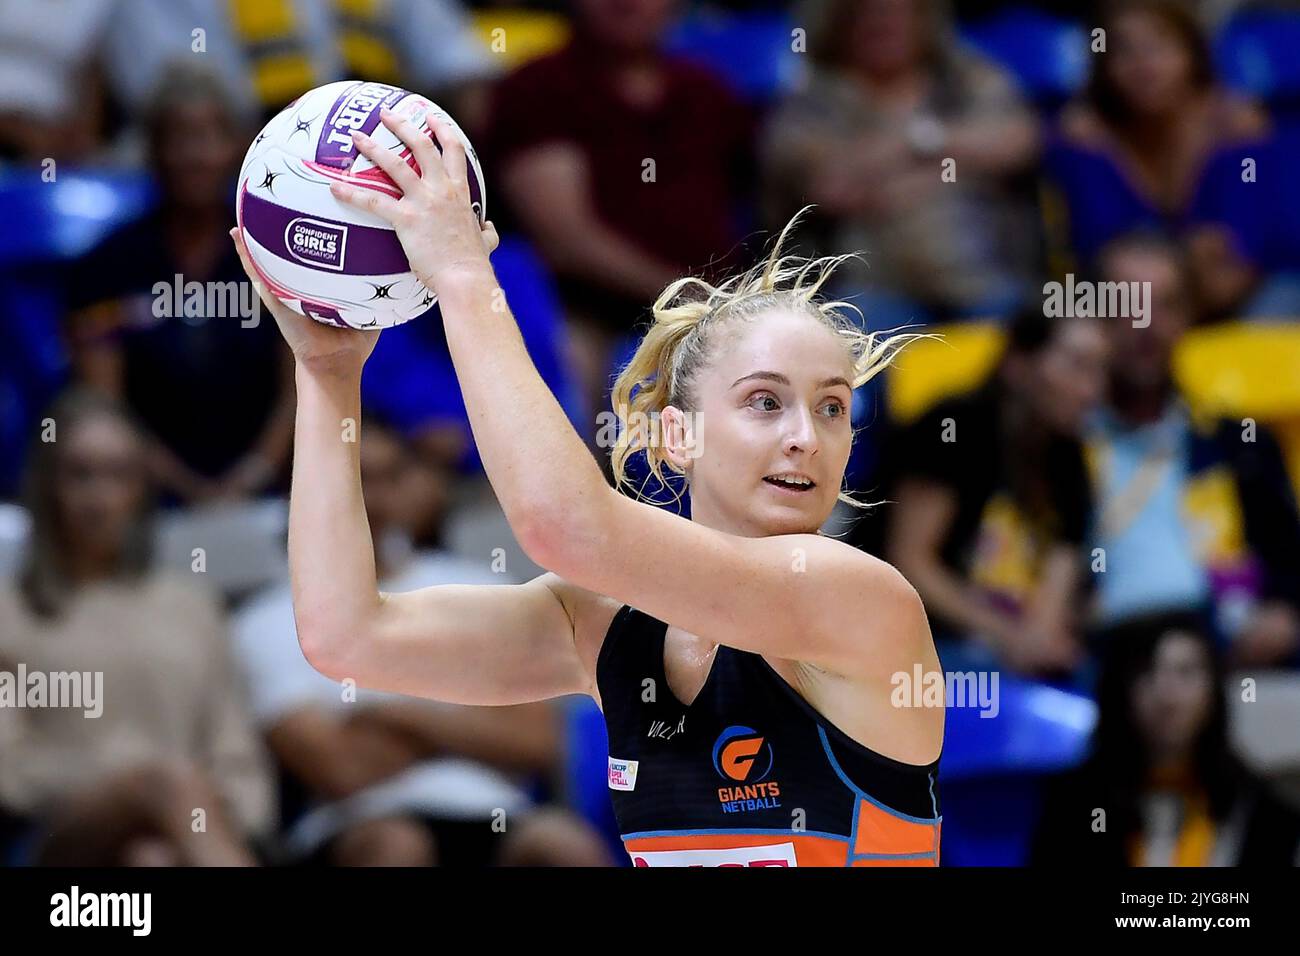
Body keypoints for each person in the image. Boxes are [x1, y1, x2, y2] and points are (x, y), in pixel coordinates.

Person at [229, 107, 944, 867]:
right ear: (678, 435)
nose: (806, 434)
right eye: (765, 401)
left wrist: (468, 279)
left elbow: (565, 529)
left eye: (833, 407)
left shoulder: (857, 596)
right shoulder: (606, 628)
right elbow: (346, 637)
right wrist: (328, 376)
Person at [232, 419, 612, 866]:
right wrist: (469, 723)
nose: (376, 499)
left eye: (391, 476)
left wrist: (399, 716)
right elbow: (341, 769)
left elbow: (537, 741)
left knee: (565, 845)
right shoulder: (266, 621)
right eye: (357, 479)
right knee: (400, 848)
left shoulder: (478, 586)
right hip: (360, 821)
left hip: (491, 811)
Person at [0, 388, 274, 866]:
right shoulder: (10, 608)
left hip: (186, 827)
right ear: (48, 485)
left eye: (118, 475)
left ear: (141, 489)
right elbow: (10, 773)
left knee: (151, 858)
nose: (99, 497)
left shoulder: (191, 605)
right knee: (163, 788)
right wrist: (134, 781)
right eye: (80, 474)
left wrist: (196, 803)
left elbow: (234, 750)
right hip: (53, 832)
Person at [65, 63, 295, 505]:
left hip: (268, 489)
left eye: (212, 135)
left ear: (238, 149)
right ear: (153, 149)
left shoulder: (275, 255)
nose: (196, 155)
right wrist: (187, 491)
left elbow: (299, 387)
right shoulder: (105, 266)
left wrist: (252, 476)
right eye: (180, 137)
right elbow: (103, 403)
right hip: (140, 494)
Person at [1085, 232, 1300, 667]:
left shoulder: (1239, 443)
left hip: (1221, 650)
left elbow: (1290, 568)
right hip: (1096, 655)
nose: (1146, 325)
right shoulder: (1059, 440)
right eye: (1127, 305)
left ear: (1189, 318)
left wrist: (1285, 614)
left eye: (1165, 305)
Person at [762, 0, 1042, 326]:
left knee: (1042, 339)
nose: (881, 24)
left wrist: (914, 145)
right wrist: (942, 160)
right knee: (845, 337)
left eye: (896, 11)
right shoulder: (812, 101)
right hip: (872, 288)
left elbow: (1019, 143)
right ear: (840, 23)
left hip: (985, 277)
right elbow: (831, 187)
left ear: (924, 18)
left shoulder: (967, 79)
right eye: (866, 14)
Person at [868, 307, 1109, 678]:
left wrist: (1037, 640)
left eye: (1100, 371)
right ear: (1018, 365)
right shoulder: (951, 427)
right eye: (1077, 366)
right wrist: (1006, 636)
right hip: (923, 636)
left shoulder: (1071, 459)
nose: (1092, 391)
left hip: (1004, 644)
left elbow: (1058, 580)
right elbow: (910, 564)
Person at [1031, 610, 1300, 866]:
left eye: (1186, 672)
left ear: (1214, 692)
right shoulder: (1074, 803)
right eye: (1148, 672)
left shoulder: (1260, 809)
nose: (1167, 695)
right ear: (1122, 690)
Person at [1044, 0, 1268, 268]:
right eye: (1123, 50)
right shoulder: (1085, 135)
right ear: (1103, 64)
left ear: (1192, 52)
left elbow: (1251, 237)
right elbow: (1096, 248)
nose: (1143, 64)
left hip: (1241, 289)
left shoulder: (1237, 126)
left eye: (1159, 46)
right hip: (1129, 295)